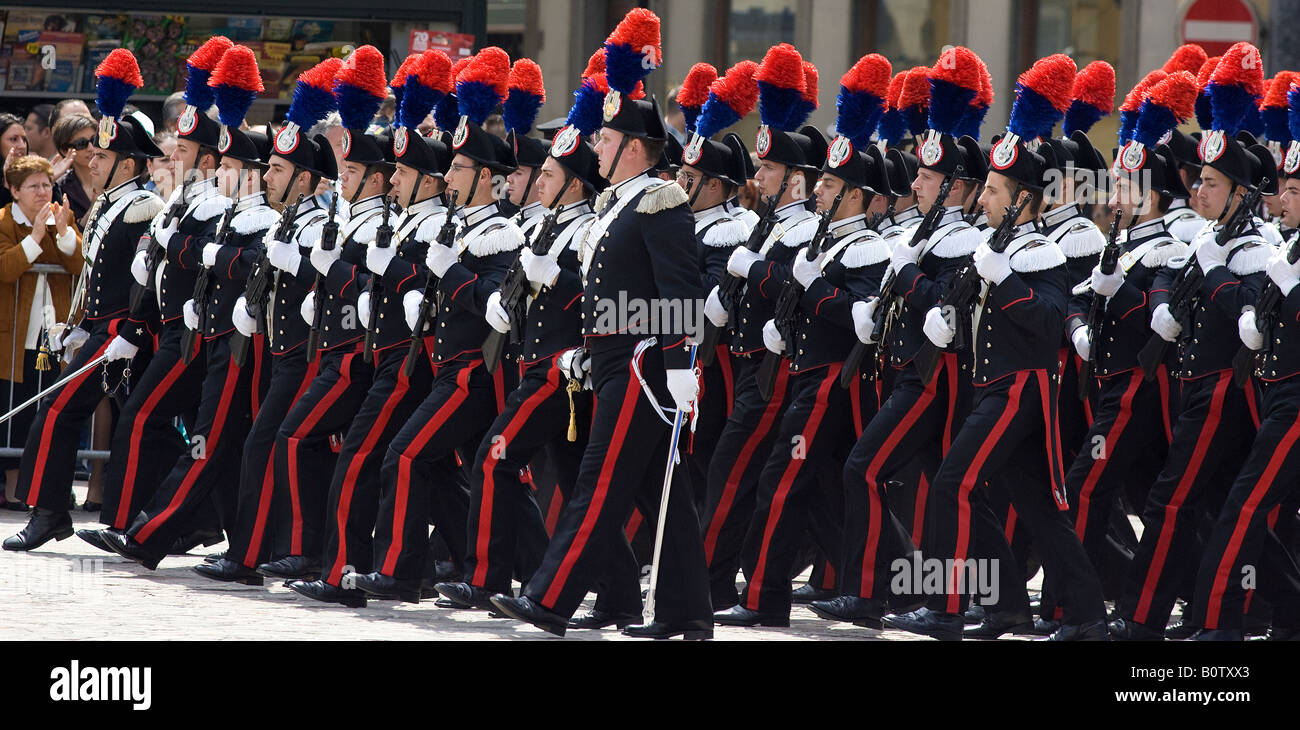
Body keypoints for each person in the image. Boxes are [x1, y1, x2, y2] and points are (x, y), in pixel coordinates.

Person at [490, 9, 712, 640]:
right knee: (656, 497)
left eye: (607, 141)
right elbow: (610, 291)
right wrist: (592, 346)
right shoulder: (620, 206)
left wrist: (680, 371)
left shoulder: (660, 202)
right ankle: (687, 614)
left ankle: (550, 600)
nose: (597, 148)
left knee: (600, 483)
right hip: (614, 362)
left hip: (645, 371)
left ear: (634, 148)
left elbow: (679, 293)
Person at [3, 49, 164, 552]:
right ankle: (195, 514)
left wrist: (129, 331)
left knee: (60, 409)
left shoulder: (144, 205)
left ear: (129, 164)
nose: (93, 160)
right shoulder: (112, 204)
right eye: (95, 152)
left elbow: (142, 281)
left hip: (122, 333)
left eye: (105, 155)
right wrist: (78, 321)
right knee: (147, 420)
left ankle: (50, 512)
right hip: (100, 329)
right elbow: (94, 271)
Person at [0, 155, 83, 509]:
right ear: (15, 191)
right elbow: (5, 269)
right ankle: (15, 489)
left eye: (46, 185)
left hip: (52, 335)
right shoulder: (4, 221)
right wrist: (33, 238)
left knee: (47, 410)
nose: (41, 192)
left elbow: (80, 263)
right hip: (13, 338)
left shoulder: (61, 218)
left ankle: (45, 490)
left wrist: (63, 232)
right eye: (33, 186)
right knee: (14, 412)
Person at [51, 114, 99, 226]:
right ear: (64, 150)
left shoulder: (114, 179)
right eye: (81, 144)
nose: (91, 148)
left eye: (94, 140)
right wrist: (94, 207)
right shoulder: (59, 188)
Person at [0, 113, 30, 209]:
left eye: (24, 139)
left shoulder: (31, 175)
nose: (22, 145)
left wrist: (51, 182)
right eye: (14, 139)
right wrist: (7, 185)